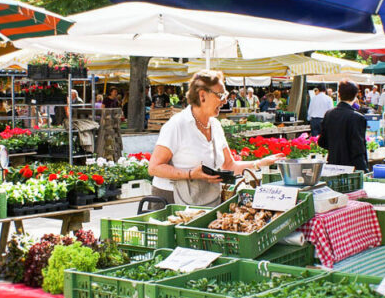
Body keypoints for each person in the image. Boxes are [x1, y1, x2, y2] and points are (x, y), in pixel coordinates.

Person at [148, 70, 285, 205]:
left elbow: (229, 165)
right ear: (202, 96)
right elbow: (154, 167)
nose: (225, 101)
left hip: (202, 201)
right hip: (170, 201)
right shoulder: (177, 125)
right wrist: (190, 174)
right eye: (220, 95)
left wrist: (260, 163)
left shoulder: (215, 126)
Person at [318, 81, 368, 171]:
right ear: (355, 96)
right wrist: (364, 170)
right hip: (351, 168)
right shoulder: (357, 118)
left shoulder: (328, 114)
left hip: (332, 166)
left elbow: (322, 142)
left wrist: (336, 147)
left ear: (339, 94)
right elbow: (358, 149)